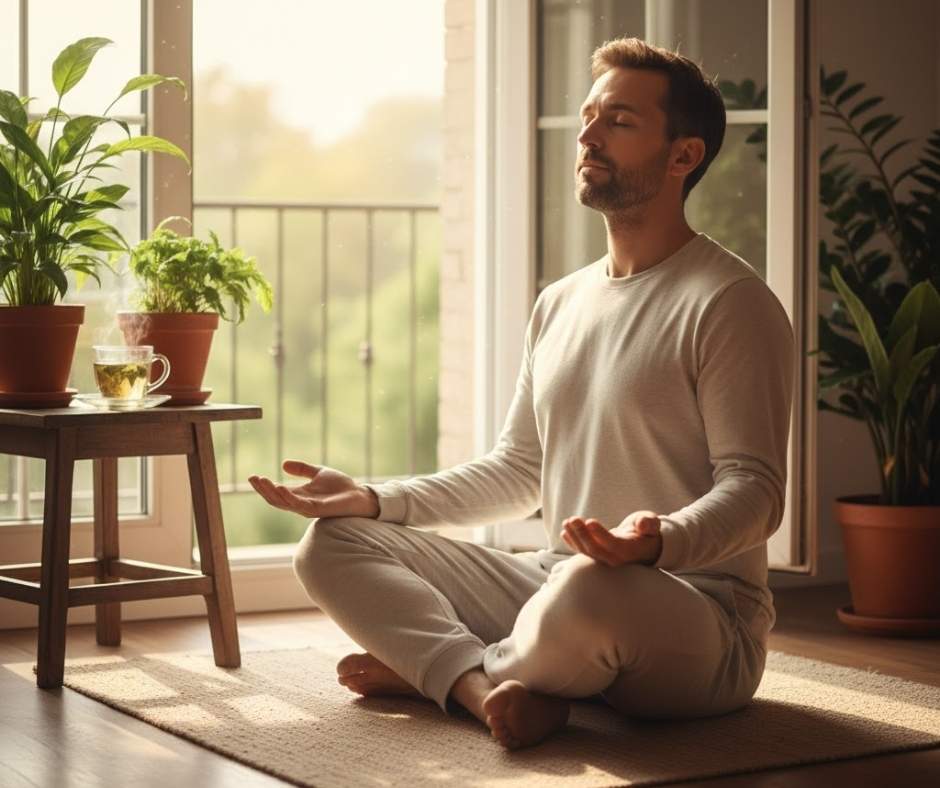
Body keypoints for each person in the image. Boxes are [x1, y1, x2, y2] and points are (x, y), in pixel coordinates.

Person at [249, 36, 795, 751]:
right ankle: (482, 690)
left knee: (588, 588)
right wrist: (375, 499)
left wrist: (657, 540)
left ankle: (437, 670)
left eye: (619, 121)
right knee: (329, 543)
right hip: (555, 589)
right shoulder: (560, 302)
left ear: (682, 155)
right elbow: (518, 471)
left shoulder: (729, 301)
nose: (588, 137)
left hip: (698, 617)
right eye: (588, 117)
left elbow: (756, 491)